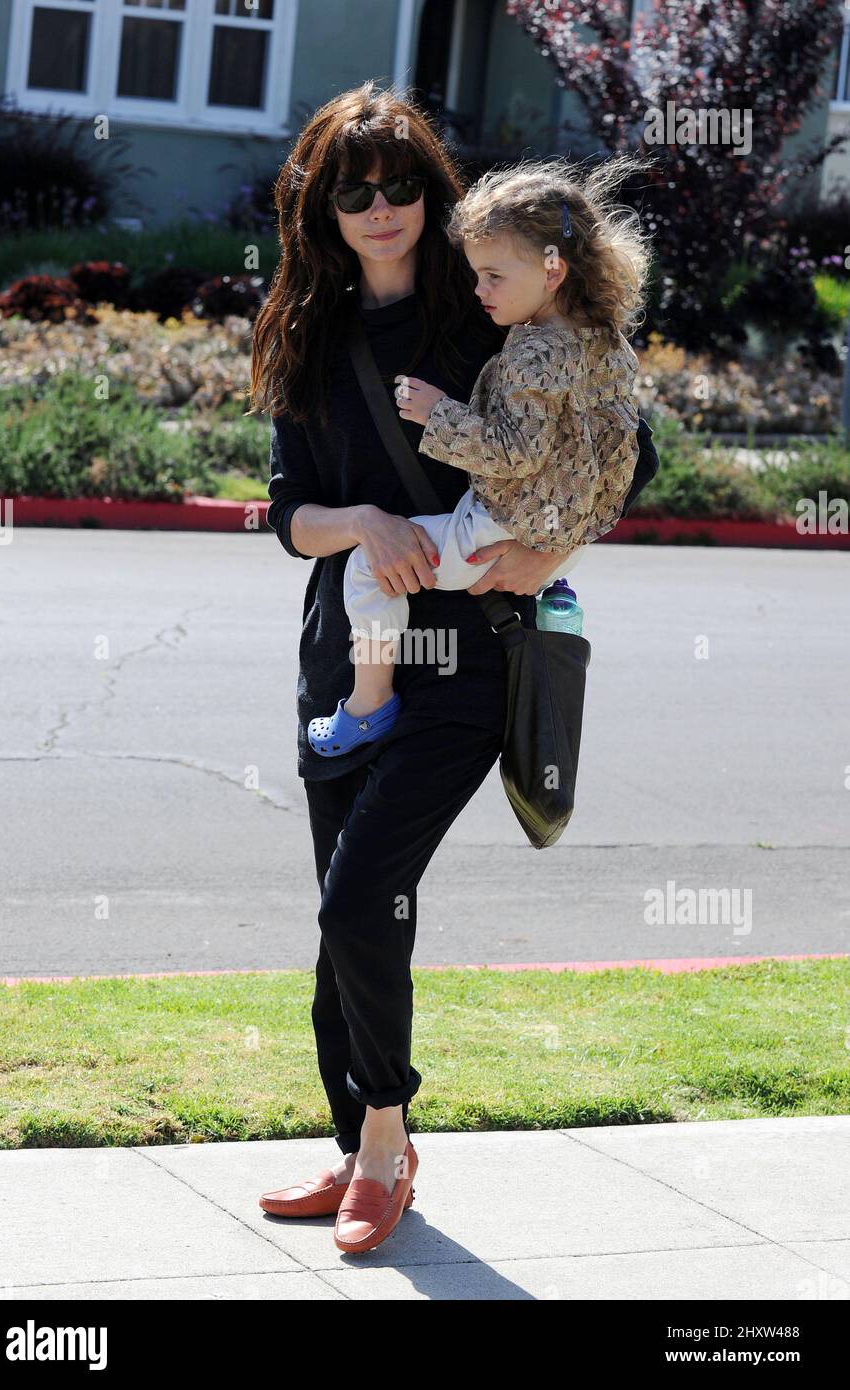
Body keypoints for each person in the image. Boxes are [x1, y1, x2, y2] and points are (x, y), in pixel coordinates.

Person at [252, 81, 660, 1254]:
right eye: (352, 191)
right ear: (321, 209)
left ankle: (386, 1147)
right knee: (349, 915)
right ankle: (358, 1146)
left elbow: (633, 445)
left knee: (359, 896)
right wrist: (360, 523)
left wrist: (547, 550)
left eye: (400, 187)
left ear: (432, 197)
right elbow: (284, 514)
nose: (379, 209)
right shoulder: (304, 329)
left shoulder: (489, 306)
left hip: (467, 652)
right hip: (349, 652)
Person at [308, 154, 651, 757]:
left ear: (552, 271)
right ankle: (557, 589)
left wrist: (437, 414)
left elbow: (514, 452)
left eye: (493, 276)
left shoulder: (532, 355)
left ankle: (367, 706)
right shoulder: (603, 339)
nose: (479, 290)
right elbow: (619, 441)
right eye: (475, 274)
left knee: (368, 568)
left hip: (497, 527)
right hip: (561, 517)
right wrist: (564, 537)